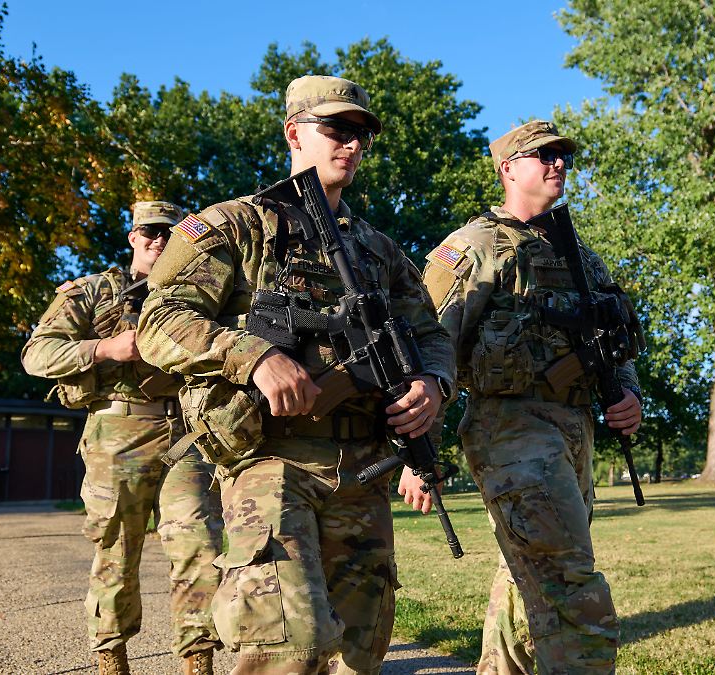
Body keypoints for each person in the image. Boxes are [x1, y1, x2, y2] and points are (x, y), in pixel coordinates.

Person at [135, 75, 455, 675]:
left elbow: (431, 334)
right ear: (293, 133)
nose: (352, 144)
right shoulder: (233, 227)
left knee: (361, 654)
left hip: (364, 467)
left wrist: (433, 384)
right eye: (336, 129)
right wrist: (252, 355)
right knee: (287, 647)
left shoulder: (378, 249)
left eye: (360, 133)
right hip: (269, 461)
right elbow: (159, 321)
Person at [420, 120, 643, 675]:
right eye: (542, 155)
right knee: (568, 577)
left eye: (562, 156)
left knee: (526, 571)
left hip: (574, 427)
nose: (557, 164)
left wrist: (629, 395)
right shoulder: (471, 249)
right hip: (508, 427)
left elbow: (617, 337)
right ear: (507, 168)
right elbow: (430, 351)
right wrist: (420, 451)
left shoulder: (580, 256)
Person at [21, 201, 224, 675]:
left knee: (200, 546)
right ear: (133, 236)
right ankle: (111, 660)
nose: (159, 240)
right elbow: (36, 354)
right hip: (118, 431)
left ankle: (199, 661)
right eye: (150, 232)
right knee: (116, 550)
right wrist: (106, 348)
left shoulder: (199, 295)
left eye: (169, 234)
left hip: (188, 432)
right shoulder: (93, 292)